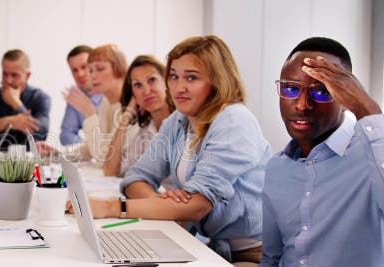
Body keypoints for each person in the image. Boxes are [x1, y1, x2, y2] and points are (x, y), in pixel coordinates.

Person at [82, 36, 270, 263]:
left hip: (251, 254)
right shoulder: (179, 120)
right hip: (208, 247)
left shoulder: (233, 120)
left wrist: (111, 207)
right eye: (174, 76)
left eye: (192, 78)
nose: (179, 88)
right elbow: (136, 178)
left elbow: (196, 206)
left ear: (218, 80)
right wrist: (165, 206)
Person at [260, 37, 384, 266]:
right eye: (291, 89)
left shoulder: (380, 152)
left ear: (346, 98)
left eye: (322, 91)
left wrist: (367, 109)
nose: (302, 104)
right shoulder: (278, 168)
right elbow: (271, 258)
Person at [38, 44, 127, 165]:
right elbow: (91, 148)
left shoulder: (127, 106)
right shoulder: (107, 103)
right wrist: (57, 154)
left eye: (99, 69)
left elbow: (104, 159)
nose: (92, 75)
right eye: (91, 70)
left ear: (119, 69)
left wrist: (90, 114)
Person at [102, 55, 174, 177]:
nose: (146, 91)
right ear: (134, 95)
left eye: (152, 80)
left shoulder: (185, 123)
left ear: (166, 82)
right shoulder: (141, 131)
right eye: (138, 85)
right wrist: (126, 117)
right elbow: (110, 171)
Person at [0, 49, 50, 148]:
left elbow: (41, 134)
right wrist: (8, 122)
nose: (8, 80)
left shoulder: (40, 97)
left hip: (27, 159)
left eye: (14, 75)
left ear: (27, 76)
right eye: (5, 74)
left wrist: (16, 104)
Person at [60, 45, 104, 145]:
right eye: (74, 70)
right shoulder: (76, 96)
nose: (80, 74)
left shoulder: (110, 94)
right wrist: (87, 147)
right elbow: (66, 135)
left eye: (84, 67)